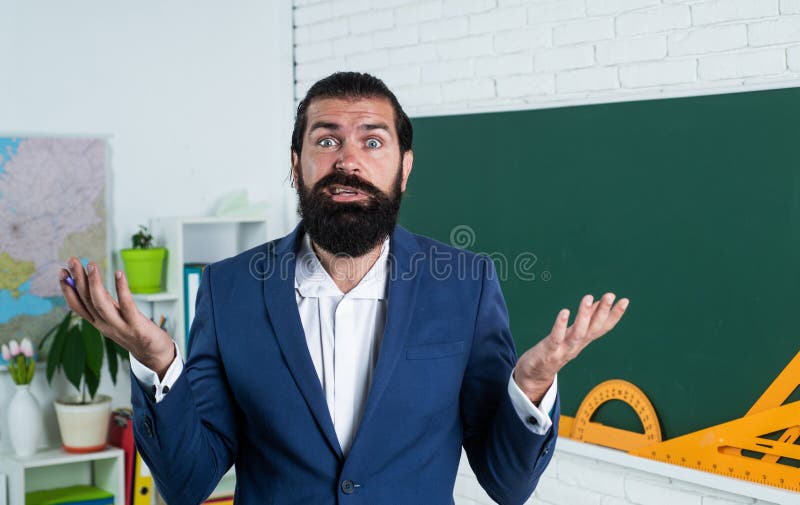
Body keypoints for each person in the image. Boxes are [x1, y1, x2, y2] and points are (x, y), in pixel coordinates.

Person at [59, 72, 629, 505]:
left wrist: (530, 385)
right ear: (296, 164)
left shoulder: (466, 285)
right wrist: (158, 365)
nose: (348, 160)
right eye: (327, 141)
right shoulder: (228, 288)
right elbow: (187, 481)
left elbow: (507, 483)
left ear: (405, 167)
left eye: (372, 142)